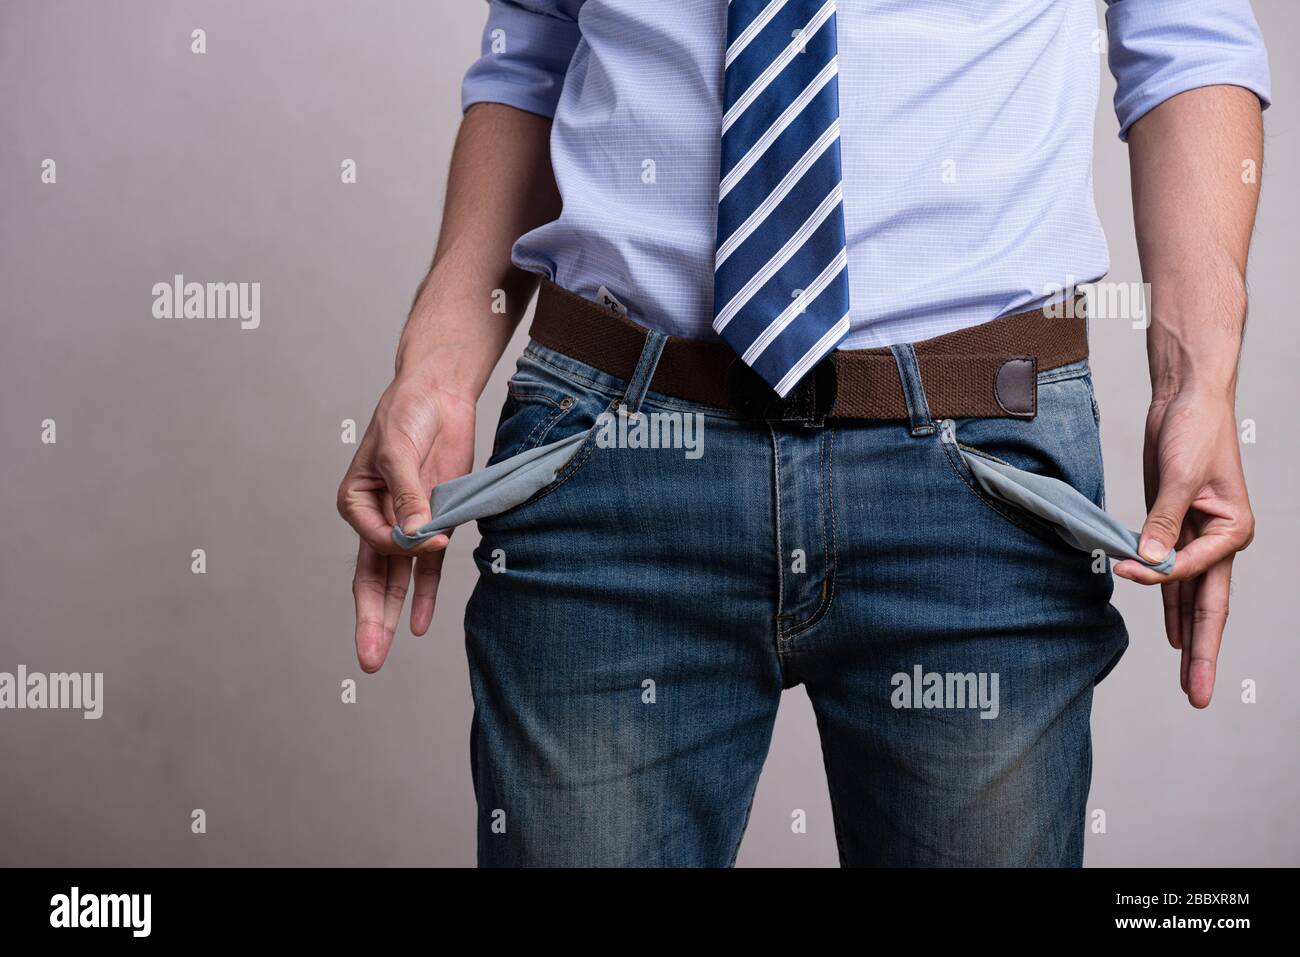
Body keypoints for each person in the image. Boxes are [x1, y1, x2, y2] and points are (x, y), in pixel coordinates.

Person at [337, 0, 1269, 866]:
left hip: (981, 471)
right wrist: (439, 361)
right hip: (609, 450)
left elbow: (1188, 33)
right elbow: (536, 46)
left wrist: (1197, 381)